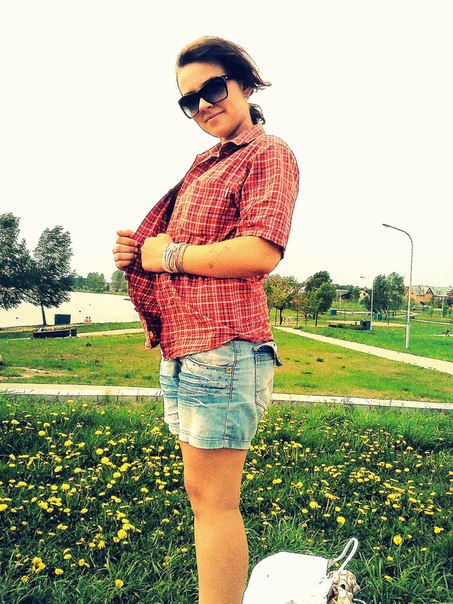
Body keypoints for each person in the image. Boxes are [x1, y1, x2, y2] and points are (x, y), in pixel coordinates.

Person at [113, 36, 299, 604]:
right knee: (203, 494)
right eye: (188, 100)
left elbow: (261, 251)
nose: (202, 106)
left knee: (216, 502)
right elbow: (186, 246)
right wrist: (140, 252)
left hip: (224, 343)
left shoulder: (268, 153)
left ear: (244, 83)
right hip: (190, 343)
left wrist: (166, 254)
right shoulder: (206, 162)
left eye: (212, 89)